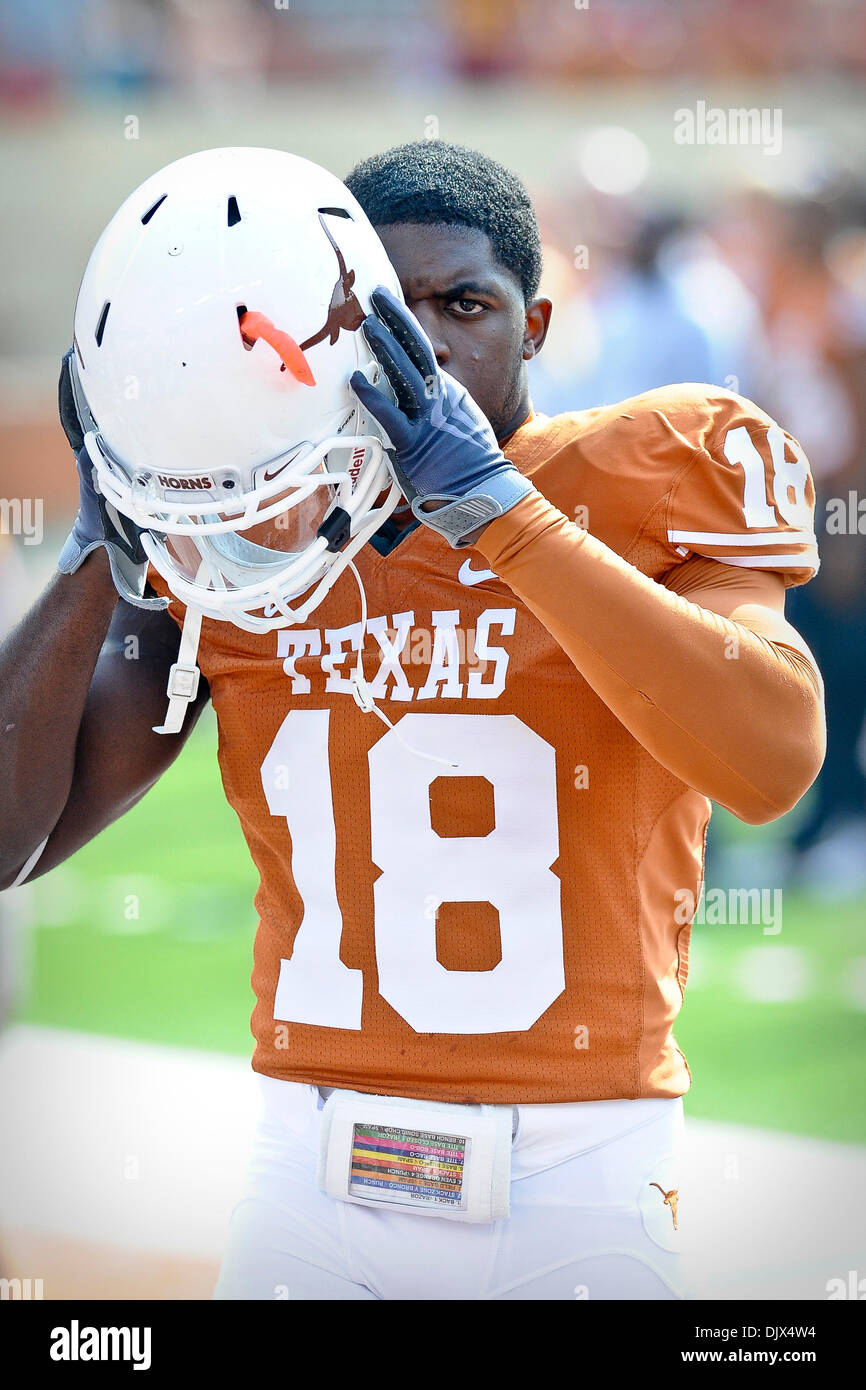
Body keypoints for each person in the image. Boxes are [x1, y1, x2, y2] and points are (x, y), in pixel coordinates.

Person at [0, 141, 825, 1301]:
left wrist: (501, 514)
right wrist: (104, 540)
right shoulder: (253, 540)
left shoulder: (641, 474)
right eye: (387, 314)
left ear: (534, 327)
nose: (426, 345)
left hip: (583, 1177)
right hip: (309, 1177)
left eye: (465, 305)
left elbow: (773, 757)